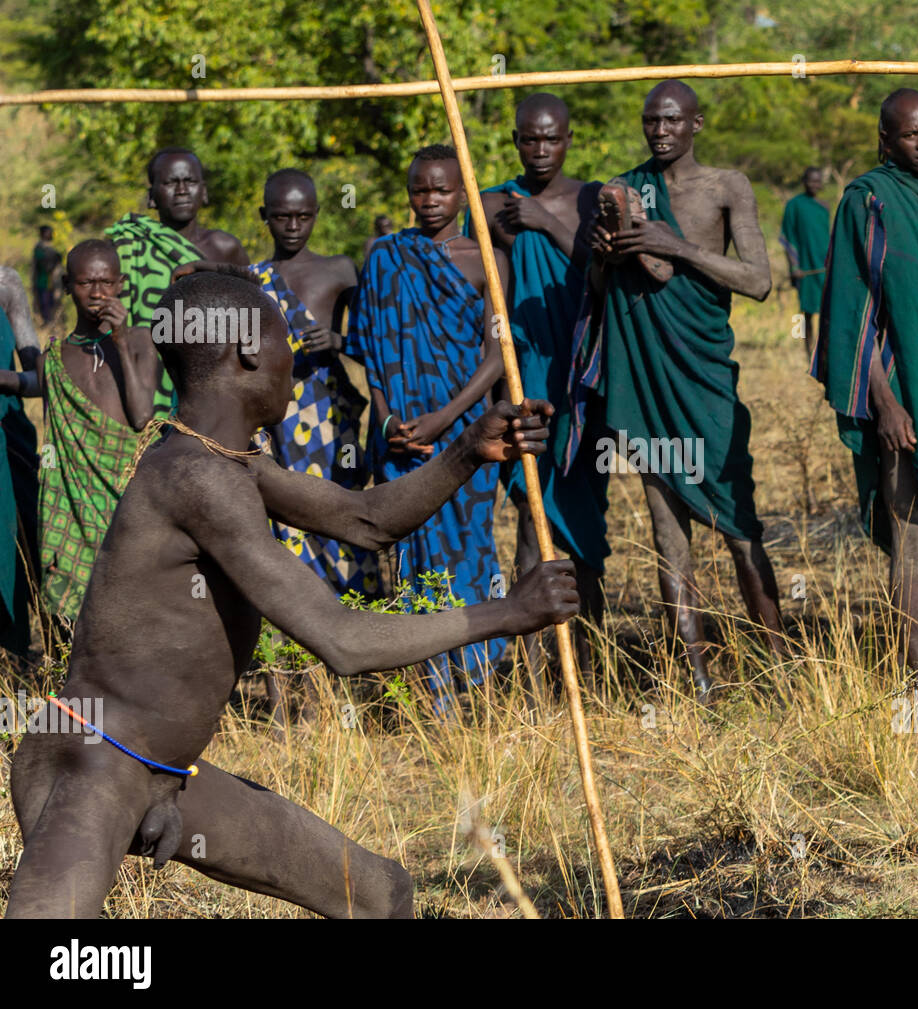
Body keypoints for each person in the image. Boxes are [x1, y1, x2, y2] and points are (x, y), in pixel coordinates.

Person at [5, 265, 576, 918]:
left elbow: (368, 520)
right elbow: (343, 640)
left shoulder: (230, 462)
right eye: (285, 340)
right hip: (94, 764)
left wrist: (470, 450)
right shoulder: (199, 479)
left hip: (167, 769)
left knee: (382, 893)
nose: (293, 356)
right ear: (249, 352)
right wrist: (507, 611)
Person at [580, 80, 783, 700]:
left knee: (738, 522)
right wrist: (606, 255)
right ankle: (695, 680)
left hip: (703, 375)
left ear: (696, 123)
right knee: (667, 530)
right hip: (645, 379)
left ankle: (779, 670)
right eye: (650, 121)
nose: (659, 131)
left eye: (671, 120)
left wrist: (676, 246)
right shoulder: (622, 187)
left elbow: (758, 282)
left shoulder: (728, 187)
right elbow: (593, 288)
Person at [814, 88, 918, 700]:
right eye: (912, 134)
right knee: (910, 534)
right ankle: (916, 677)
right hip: (904, 398)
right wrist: (883, 402)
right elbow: (852, 307)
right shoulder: (868, 199)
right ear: (885, 140)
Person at [348, 145, 510, 698]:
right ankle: (430, 691)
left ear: (463, 192)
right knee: (412, 556)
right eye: (421, 190)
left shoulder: (486, 257)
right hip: (402, 438)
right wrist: (390, 418)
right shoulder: (386, 256)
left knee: (471, 546)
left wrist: (446, 419)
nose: (431, 200)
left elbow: (497, 357)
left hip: (468, 433)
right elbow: (370, 348)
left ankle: (478, 681)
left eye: (442, 190)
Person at [475, 93, 609, 677]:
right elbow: (480, 293)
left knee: (584, 522)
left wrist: (547, 224)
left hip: (582, 379)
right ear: (515, 141)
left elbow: (604, 276)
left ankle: (592, 662)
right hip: (525, 377)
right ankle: (529, 673)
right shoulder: (491, 203)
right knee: (531, 516)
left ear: (570, 139)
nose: (540, 150)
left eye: (551, 139)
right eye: (529, 139)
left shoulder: (589, 199)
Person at [255, 168, 376, 597]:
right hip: (276, 419)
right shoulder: (255, 279)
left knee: (339, 506)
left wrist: (337, 340)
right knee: (285, 515)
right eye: (282, 216)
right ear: (264, 215)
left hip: (331, 416)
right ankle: (296, 636)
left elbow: (376, 342)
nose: (292, 226)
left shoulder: (339, 270)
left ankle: (357, 620)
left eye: (303, 217)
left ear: (317, 215)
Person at [26, 241, 158, 633]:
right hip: (69, 511)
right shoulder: (52, 358)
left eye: (105, 282)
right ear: (67, 286)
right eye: (86, 283)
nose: (97, 293)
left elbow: (141, 418)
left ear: (121, 284)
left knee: (134, 611)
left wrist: (119, 340)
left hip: (126, 500)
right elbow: (61, 451)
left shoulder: (141, 342)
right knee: (71, 622)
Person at [107, 148, 249, 411]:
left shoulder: (225, 248)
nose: (182, 190)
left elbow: (254, 316)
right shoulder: (128, 247)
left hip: (217, 383)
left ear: (204, 191)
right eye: (171, 182)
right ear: (151, 197)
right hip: (145, 388)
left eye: (190, 182)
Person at [0, 268, 42, 654]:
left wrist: (5, 379)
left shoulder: (6, 284)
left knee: (17, 548)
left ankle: (17, 653)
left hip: (7, 437)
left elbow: (38, 376)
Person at [779, 167, 830, 358]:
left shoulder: (824, 207)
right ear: (804, 181)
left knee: (826, 311)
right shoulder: (794, 205)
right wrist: (794, 266)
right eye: (811, 181)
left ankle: (823, 351)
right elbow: (788, 237)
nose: (814, 185)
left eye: (818, 181)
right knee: (803, 311)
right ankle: (804, 348)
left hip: (823, 267)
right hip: (804, 267)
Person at [31, 226, 62, 326]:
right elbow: (35, 267)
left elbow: (58, 267)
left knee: (53, 303)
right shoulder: (39, 249)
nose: (49, 234)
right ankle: (47, 323)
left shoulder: (55, 248)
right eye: (47, 232)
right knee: (43, 303)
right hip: (42, 281)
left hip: (53, 281)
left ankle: (53, 323)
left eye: (50, 232)